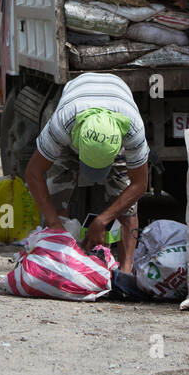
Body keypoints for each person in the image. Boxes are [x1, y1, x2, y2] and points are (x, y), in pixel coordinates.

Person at [22, 72, 150, 273]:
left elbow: (139, 184)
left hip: (116, 103)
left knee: (128, 206)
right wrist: (54, 222)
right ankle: (56, 260)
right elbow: (33, 173)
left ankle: (126, 272)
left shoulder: (132, 128)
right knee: (56, 193)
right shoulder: (63, 123)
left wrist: (103, 219)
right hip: (76, 118)